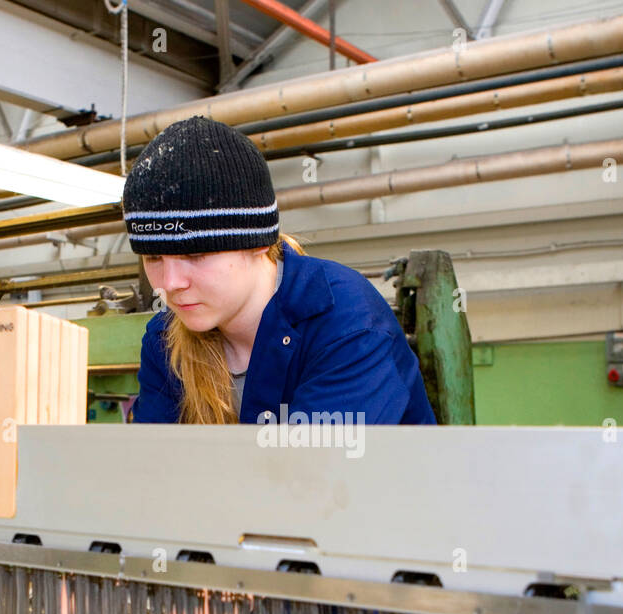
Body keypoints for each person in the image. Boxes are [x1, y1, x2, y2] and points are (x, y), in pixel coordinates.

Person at [121, 115, 436, 426]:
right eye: (153, 258)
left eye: (196, 254)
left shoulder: (346, 322)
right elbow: (155, 466)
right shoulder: (165, 340)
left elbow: (312, 471)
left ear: (257, 243)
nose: (170, 284)